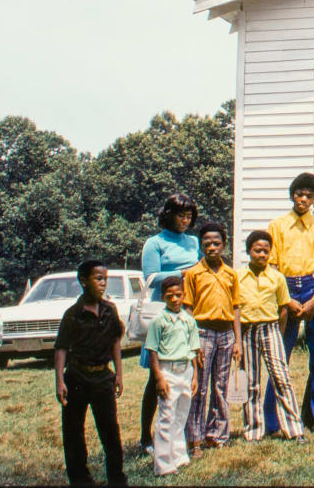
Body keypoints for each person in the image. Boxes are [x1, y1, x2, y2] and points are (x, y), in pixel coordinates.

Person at [264, 172, 314, 433]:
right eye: (299, 194)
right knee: (279, 356)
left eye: (308, 195)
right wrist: (285, 301)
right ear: (292, 196)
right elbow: (271, 265)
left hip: (312, 287)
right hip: (285, 289)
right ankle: (273, 421)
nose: (303, 199)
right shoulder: (278, 225)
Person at [54, 260, 127, 487]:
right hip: (77, 377)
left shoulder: (109, 310)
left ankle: (116, 477)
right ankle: (80, 479)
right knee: (74, 431)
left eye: (105, 278)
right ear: (83, 281)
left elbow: (115, 341)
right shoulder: (73, 314)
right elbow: (61, 347)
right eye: (98, 278)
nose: (103, 283)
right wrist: (59, 381)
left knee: (110, 430)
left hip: (103, 378)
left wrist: (119, 373)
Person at [138, 194, 201, 452]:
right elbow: (150, 278)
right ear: (168, 215)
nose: (185, 221)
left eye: (189, 216)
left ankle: (181, 435)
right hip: (163, 310)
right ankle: (145, 437)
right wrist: (182, 273)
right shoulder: (155, 242)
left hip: (189, 309)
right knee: (158, 376)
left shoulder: (194, 241)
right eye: (180, 215)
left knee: (185, 374)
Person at [237, 231, 304, 442]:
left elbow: (284, 308)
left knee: (281, 377)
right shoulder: (238, 277)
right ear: (249, 251)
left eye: (266, 251)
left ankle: (294, 429)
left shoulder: (277, 277)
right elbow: (235, 308)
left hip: (271, 329)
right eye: (257, 250)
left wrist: (279, 333)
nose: (262, 255)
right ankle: (253, 430)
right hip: (247, 330)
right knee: (250, 382)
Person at [182, 223, 242, 455]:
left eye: (216, 243)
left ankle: (217, 434)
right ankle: (194, 438)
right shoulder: (194, 273)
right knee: (200, 387)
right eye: (206, 244)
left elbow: (236, 308)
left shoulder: (231, 274)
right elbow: (188, 309)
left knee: (221, 386)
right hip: (202, 333)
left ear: (224, 245)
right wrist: (192, 342)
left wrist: (237, 341)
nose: (211, 247)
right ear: (201, 246)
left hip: (226, 333)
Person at [144, 276, 200, 476]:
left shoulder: (189, 319)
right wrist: (158, 377)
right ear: (163, 297)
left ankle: (178, 455)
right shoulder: (158, 321)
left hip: (186, 370)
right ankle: (163, 464)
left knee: (181, 414)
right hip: (167, 370)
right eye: (170, 296)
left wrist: (194, 377)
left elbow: (193, 349)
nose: (175, 299)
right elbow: (152, 350)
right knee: (167, 415)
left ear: (184, 295)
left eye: (178, 295)